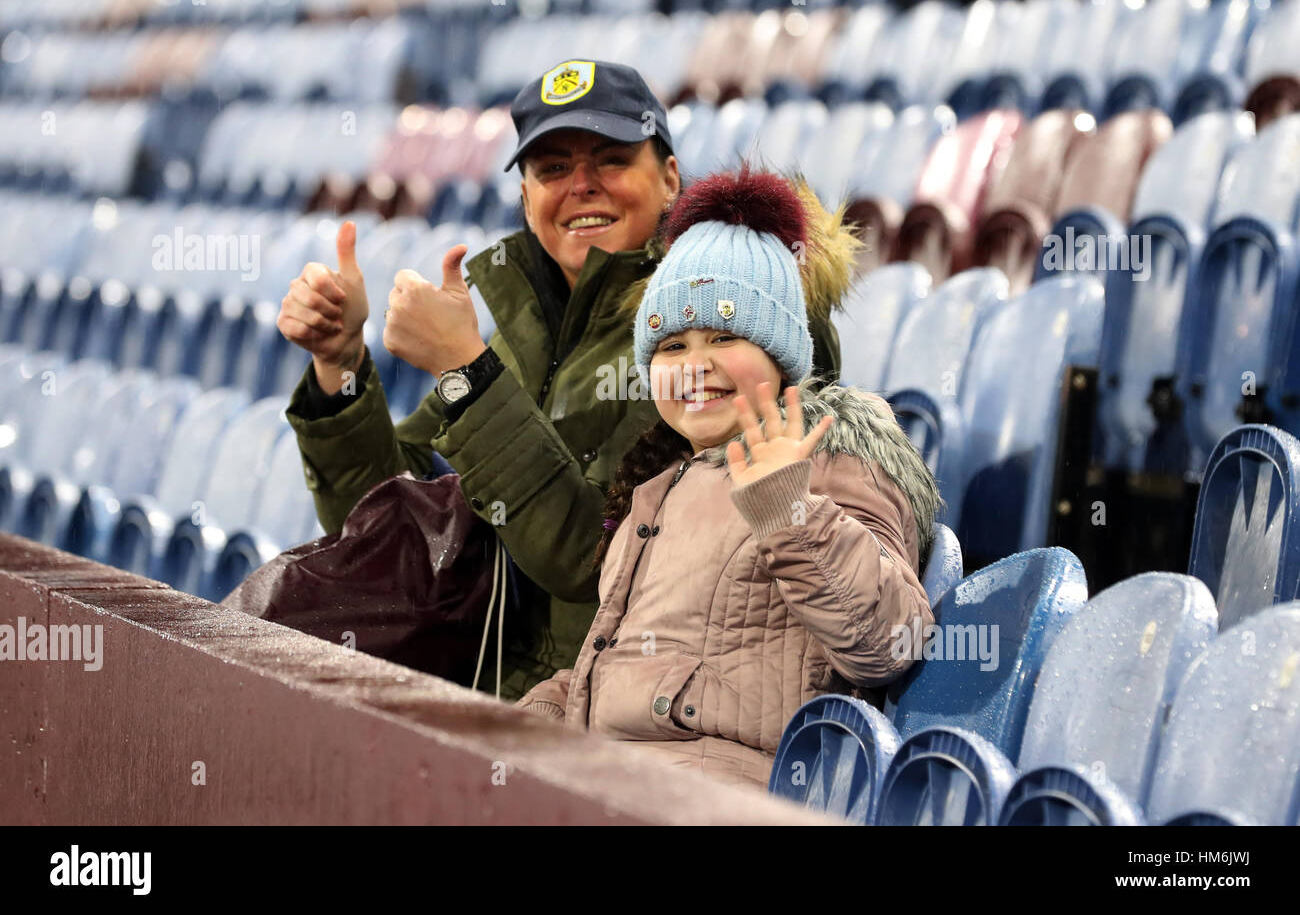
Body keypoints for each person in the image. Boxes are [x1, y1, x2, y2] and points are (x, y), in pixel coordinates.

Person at [275, 60, 844, 700]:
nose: (581, 186)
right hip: (496, 695)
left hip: (622, 712)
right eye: (552, 170)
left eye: (610, 160)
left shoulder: (732, 322)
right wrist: (340, 364)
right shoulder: (524, 329)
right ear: (524, 198)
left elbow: (592, 560)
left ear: (670, 178)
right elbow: (381, 532)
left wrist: (466, 370)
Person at [517, 168, 940, 789]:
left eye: (724, 335)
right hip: (614, 781)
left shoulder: (830, 458)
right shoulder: (655, 492)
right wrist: (544, 713)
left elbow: (890, 642)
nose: (696, 365)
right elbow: (618, 675)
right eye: (672, 346)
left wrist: (789, 510)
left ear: (782, 355)